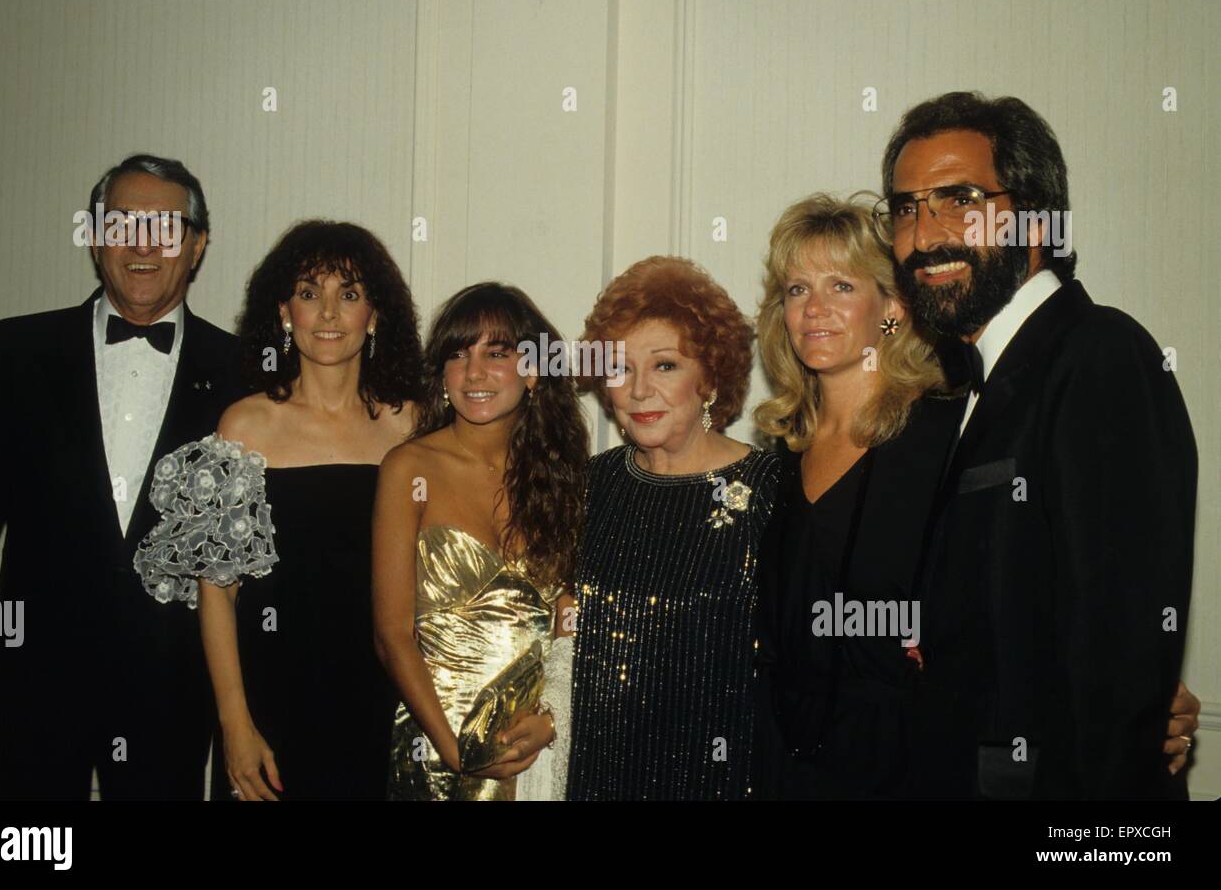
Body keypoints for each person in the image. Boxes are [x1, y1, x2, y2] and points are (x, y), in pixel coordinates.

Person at [876, 91, 1198, 798]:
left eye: (958, 198)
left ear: (1036, 217)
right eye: (905, 207)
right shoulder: (964, 392)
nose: (924, 235)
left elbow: (1116, 679)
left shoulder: (1099, 356)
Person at [0, 153, 247, 798]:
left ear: (198, 243)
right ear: (96, 238)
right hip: (35, 691)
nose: (142, 245)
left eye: (166, 226)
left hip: (173, 693)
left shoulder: (243, 373)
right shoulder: (18, 353)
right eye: (122, 224)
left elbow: (254, 560)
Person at [134, 220, 422, 800]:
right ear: (285, 314)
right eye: (310, 294)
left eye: (349, 294)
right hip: (272, 701)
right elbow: (217, 592)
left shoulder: (410, 425)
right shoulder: (245, 425)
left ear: (376, 314)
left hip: (384, 698)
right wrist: (235, 724)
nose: (329, 314)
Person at [751, 193, 963, 799]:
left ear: (892, 308)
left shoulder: (945, 436)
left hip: (904, 767)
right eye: (796, 290)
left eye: (841, 286)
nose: (814, 309)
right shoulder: (779, 457)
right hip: (783, 762)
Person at [568, 256, 780, 800]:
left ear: (708, 377)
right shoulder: (587, 487)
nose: (639, 391)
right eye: (620, 367)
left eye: (664, 366)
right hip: (593, 775)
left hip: (716, 779)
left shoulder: (771, 490)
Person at [374, 283, 586, 800]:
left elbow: (569, 614)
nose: (473, 373)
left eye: (497, 354)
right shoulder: (411, 467)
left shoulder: (565, 476)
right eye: (458, 354)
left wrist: (553, 720)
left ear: (533, 370)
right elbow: (392, 635)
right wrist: (453, 752)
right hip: (434, 750)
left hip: (534, 753)